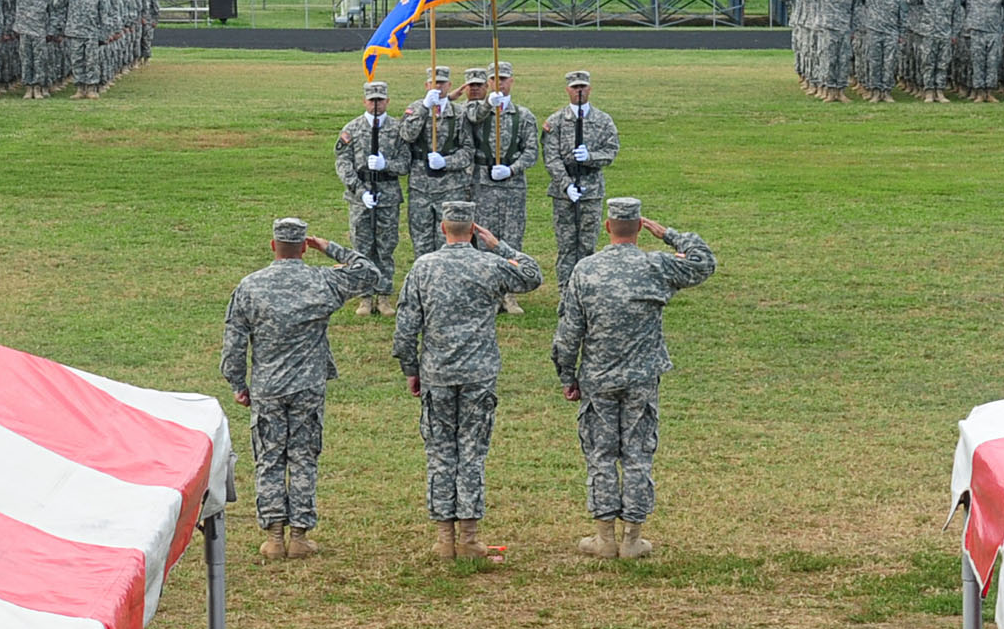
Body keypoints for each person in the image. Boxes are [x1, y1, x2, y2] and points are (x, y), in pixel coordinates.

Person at [552, 198, 717, 559]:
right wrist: (671, 234)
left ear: (607, 227)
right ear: (640, 228)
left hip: (598, 377)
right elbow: (704, 262)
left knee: (601, 454)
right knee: (638, 455)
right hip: (642, 378)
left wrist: (567, 376)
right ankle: (632, 538)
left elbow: (567, 334)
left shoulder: (585, 270)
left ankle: (604, 537)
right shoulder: (655, 264)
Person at [221, 217, 381, 560]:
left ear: (272, 245)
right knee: (304, 458)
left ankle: (274, 537)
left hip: (268, 386)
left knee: (269, 458)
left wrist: (238, 383)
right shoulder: (322, 280)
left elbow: (234, 345)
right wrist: (328, 247)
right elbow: (369, 273)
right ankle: (299, 535)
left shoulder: (250, 286)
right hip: (308, 385)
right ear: (305, 247)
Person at [392, 201, 543, 559]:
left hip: (437, 373)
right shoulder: (489, 263)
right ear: (474, 229)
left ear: (443, 228)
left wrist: (411, 370)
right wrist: (499, 246)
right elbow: (532, 276)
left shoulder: (423, 267)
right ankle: (470, 537)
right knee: (472, 454)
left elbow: (405, 329)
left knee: (441, 454)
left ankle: (445, 538)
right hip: (478, 373)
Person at [466, 61, 540, 312]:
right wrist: (488, 104)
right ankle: (489, 292)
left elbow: (531, 152)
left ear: (512, 81)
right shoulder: (478, 111)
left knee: (511, 237)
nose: (500, 84)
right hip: (483, 184)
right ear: (488, 84)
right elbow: (471, 117)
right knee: (484, 237)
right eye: (494, 79)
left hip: (512, 186)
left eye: (504, 79)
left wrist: (512, 168)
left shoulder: (523, 116)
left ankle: (509, 293)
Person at [334, 80, 409, 317]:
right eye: (372, 100)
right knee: (362, 245)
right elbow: (343, 163)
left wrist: (388, 165)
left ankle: (384, 295)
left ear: (387, 101)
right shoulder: (352, 129)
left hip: (387, 194)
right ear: (364, 101)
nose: (376, 104)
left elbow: (406, 163)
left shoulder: (397, 130)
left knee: (386, 246)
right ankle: (365, 297)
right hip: (361, 196)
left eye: (380, 100)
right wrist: (359, 190)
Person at [543, 70, 620, 288]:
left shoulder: (603, 121)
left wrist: (590, 157)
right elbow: (551, 158)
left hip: (591, 189)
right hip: (563, 191)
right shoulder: (556, 121)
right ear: (567, 89)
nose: (579, 91)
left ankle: (585, 287)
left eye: (583, 87)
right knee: (566, 243)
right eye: (575, 87)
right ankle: (566, 288)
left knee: (587, 242)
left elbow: (611, 151)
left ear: (590, 88)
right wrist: (566, 185)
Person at [398, 65, 474, 257]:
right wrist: (425, 108)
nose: (438, 87)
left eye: (442, 83)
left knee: (449, 240)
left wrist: (446, 162)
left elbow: (467, 151)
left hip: (450, 186)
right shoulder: (415, 109)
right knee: (421, 239)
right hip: (420, 186)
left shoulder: (458, 114)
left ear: (449, 85)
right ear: (426, 85)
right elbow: (407, 135)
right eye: (434, 83)